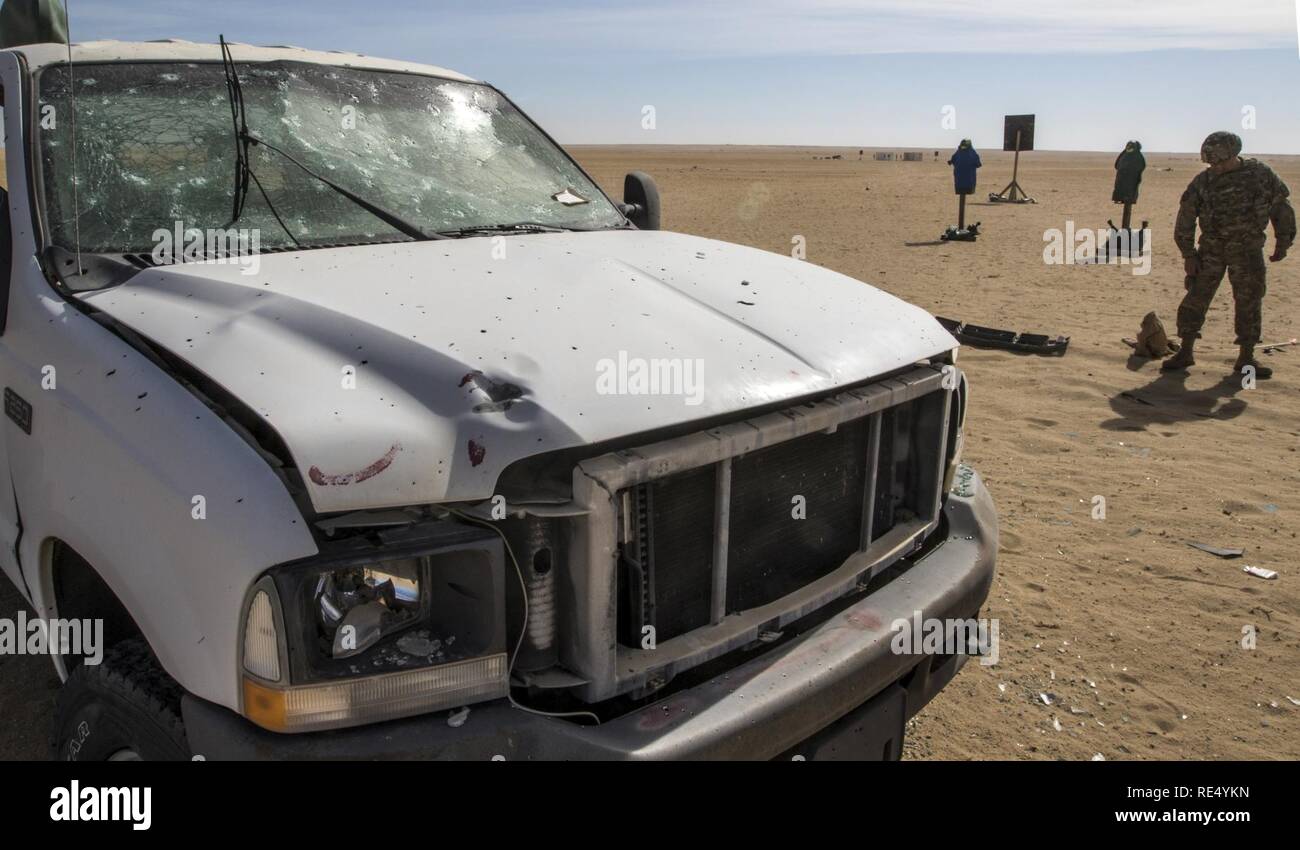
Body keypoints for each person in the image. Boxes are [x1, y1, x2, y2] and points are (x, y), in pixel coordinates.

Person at [1163, 131, 1294, 378]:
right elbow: (1186, 219)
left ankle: (1246, 357)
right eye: (1212, 163)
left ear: (1233, 154)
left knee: (1249, 302)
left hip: (1247, 252)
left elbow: (1281, 208)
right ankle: (1186, 351)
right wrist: (1189, 255)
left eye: (1221, 162)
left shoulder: (1260, 175)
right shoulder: (1203, 181)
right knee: (1195, 299)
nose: (1217, 168)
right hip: (1211, 251)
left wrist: (1283, 242)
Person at [1113, 140, 1145, 204]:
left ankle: (1128, 199)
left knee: (1129, 189)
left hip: (1130, 177)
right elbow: (1117, 164)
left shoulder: (1137, 155)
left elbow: (1141, 166)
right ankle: (1120, 198)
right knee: (1122, 188)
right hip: (1124, 175)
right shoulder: (1126, 154)